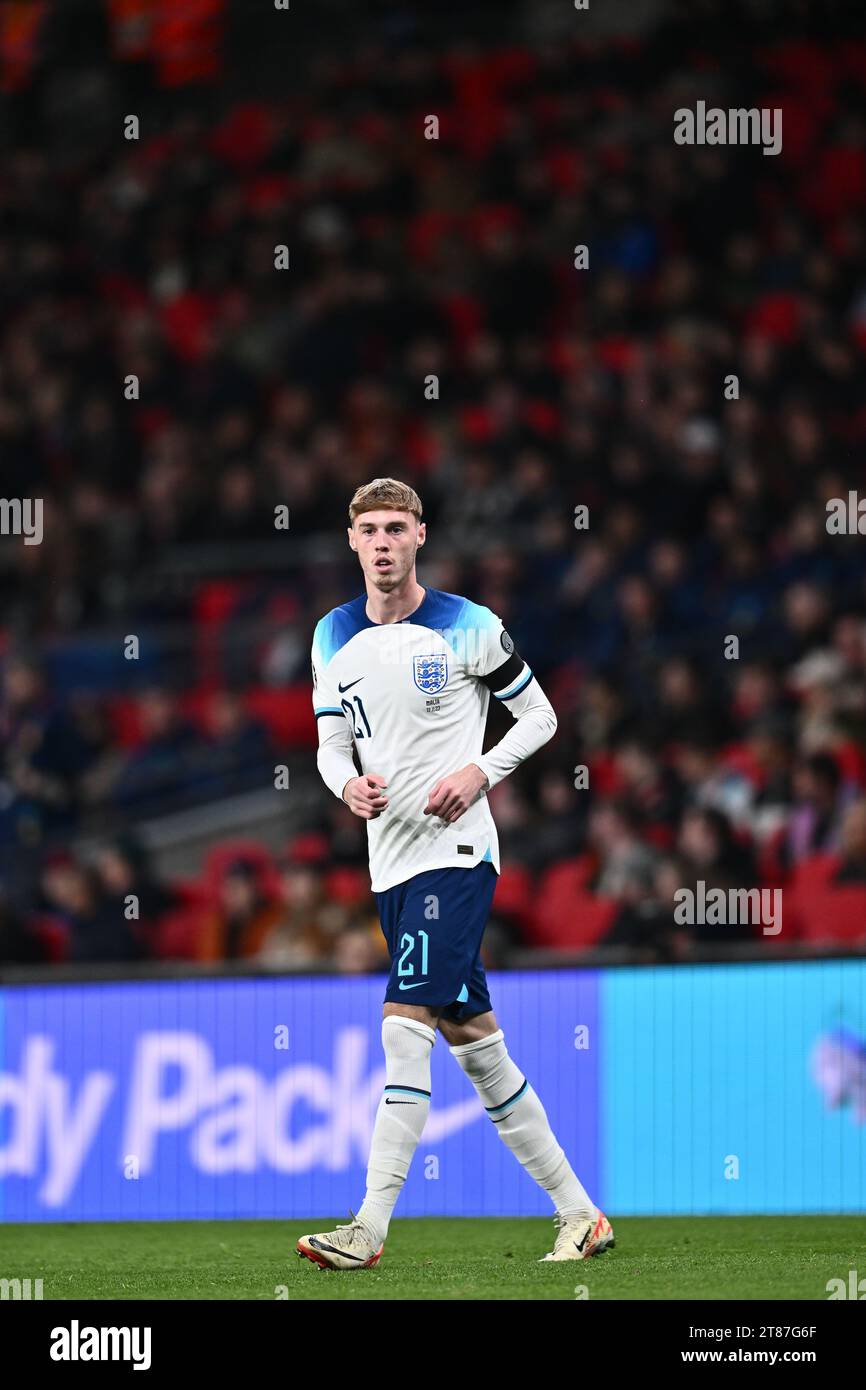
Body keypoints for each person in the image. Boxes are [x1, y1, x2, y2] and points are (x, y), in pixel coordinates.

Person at [296, 477, 613, 1270]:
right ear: (351, 542)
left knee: (404, 1026)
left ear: (420, 536)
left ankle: (367, 1228)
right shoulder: (331, 634)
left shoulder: (468, 625)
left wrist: (479, 773)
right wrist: (346, 785)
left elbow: (540, 716)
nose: (381, 542)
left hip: (457, 854)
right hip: (391, 866)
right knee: (477, 1045)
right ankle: (580, 1216)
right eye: (367, 529)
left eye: (395, 528)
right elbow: (331, 742)